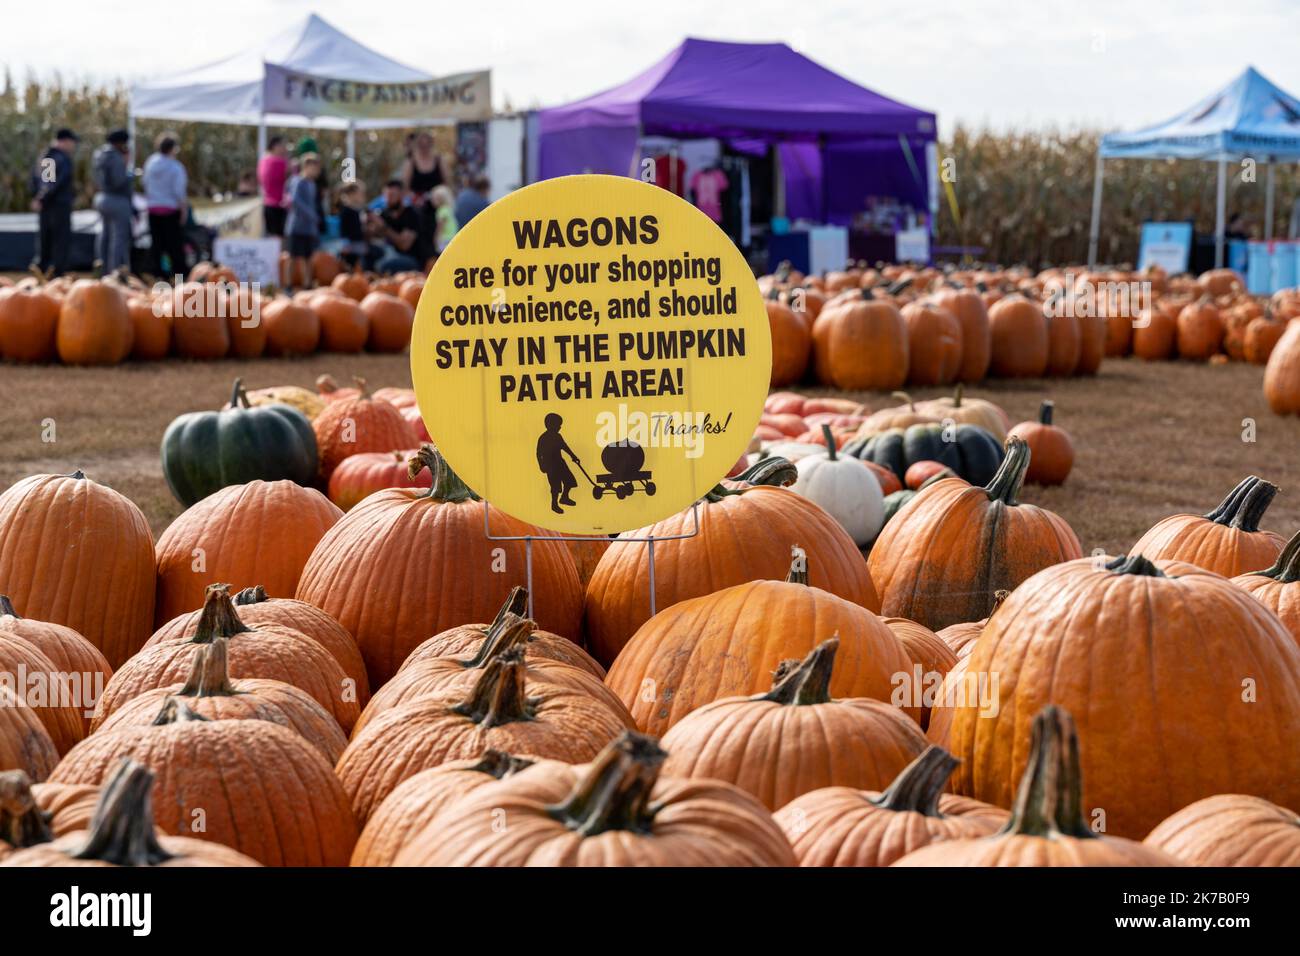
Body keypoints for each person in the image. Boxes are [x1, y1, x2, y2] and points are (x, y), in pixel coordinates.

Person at [29, 128, 79, 277]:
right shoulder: (52, 157)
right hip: (54, 206)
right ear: (64, 141)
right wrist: (42, 199)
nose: (73, 146)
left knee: (52, 239)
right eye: (72, 142)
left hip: (53, 204)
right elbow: (47, 182)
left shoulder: (54, 156)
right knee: (55, 240)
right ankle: (52, 273)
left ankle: (50, 271)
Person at [143, 134, 188, 278]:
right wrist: (183, 210)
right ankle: (179, 275)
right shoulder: (176, 167)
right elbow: (179, 191)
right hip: (170, 210)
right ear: (172, 149)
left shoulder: (150, 163)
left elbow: (145, 183)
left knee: (157, 245)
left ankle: (157, 274)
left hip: (153, 208)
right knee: (174, 246)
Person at [91, 129, 134, 273]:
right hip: (116, 200)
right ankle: (116, 270)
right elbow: (118, 182)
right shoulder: (115, 158)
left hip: (102, 197)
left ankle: (101, 268)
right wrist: (128, 171)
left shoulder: (99, 154)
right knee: (119, 238)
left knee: (104, 234)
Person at [284, 153, 322, 291]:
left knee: (308, 258)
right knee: (292, 257)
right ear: (306, 166)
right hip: (296, 227)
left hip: (308, 228)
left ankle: (307, 284)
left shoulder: (312, 184)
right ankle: (288, 284)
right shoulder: (297, 181)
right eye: (314, 167)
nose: (316, 171)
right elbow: (295, 201)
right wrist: (311, 215)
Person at [536, 413, 580, 515]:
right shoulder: (543, 438)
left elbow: (565, 447)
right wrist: (541, 465)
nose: (560, 427)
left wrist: (573, 456)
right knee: (555, 486)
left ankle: (564, 497)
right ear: (550, 425)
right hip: (551, 465)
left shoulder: (558, 436)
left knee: (569, 481)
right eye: (558, 425)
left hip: (560, 463)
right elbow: (538, 453)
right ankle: (554, 504)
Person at [374, 179, 421, 274]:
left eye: (392, 195)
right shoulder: (383, 213)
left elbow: (404, 245)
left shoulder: (412, 214)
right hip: (387, 253)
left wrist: (384, 227)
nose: (388, 199)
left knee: (382, 265)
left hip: (410, 258)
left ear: (401, 195)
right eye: (386, 196)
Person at [337, 181, 377, 270]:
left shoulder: (359, 211)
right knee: (356, 262)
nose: (363, 196)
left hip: (359, 243)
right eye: (361, 194)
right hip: (351, 245)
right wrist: (345, 244)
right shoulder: (346, 212)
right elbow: (343, 231)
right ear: (352, 195)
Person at [402, 132, 452, 197]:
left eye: (427, 145)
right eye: (421, 146)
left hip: (438, 201)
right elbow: (405, 187)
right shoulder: (410, 163)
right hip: (416, 203)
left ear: (431, 145)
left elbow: (447, 183)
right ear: (416, 146)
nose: (424, 148)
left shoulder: (439, 160)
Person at [258, 136, 289, 235]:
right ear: (275, 146)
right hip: (278, 205)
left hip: (267, 204)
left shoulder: (263, 161)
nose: (285, 148)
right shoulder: (280, 162)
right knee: (279, 240)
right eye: (283, 145)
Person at [430, 185, 459, 255]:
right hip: (452, 237)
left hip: (445, 238)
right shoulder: (448, 209)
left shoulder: (442, 211)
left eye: (435, 199)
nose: (432, 201)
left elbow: (440, 226)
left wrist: (436, 237)